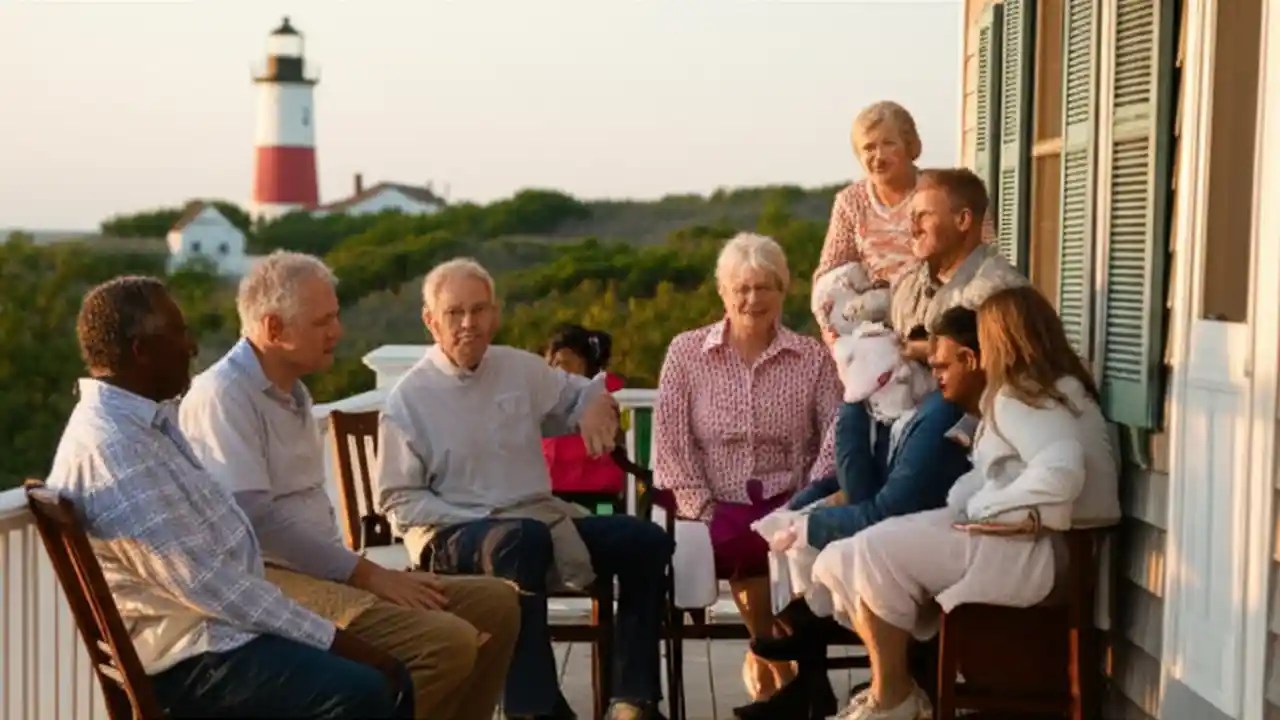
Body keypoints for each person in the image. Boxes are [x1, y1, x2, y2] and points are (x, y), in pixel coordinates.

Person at [46, 276, 413, 719]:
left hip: (214, 633)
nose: (193, 347)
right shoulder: (113, 450)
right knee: (367, 688)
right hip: (191, 658)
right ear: (141, 350)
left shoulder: (141, 425)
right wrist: (338, 640)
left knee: (383, 675)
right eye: (179, 333)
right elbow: (209, 587)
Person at [178, 251, 520, 720]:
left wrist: (363, 573)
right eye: (323, 322)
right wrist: (368, 574)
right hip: (270, 582)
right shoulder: (223, 395)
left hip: (322, 570)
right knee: (446, 641)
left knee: (496, 604)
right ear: (274, 329)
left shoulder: (291, 392)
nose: (337, 332)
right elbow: (255, 522)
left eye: (335, 316)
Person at [373, 258, 674, 720]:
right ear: (431, 320)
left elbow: (581, 391)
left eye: (479, 310)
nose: (469, 324)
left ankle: (632, 699)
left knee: (645, 540)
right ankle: (536, 708)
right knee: (521, 539)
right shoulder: (408, 399)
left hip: (535, 518)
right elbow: (398, 500)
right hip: (452, 532)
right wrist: (487, 518)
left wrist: (593, 404)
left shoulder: (519, 368)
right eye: (455, 313)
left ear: (494, 314)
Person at [816, 286, 1121, 720]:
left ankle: (896, 698)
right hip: (1050, 552)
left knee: (871, 549)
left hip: (1034, 554)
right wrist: (977, 503)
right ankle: (893, 691)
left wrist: (987, 510)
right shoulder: (1059, 389)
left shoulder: (1023, 396)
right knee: (855, 551)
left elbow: (1060, 471)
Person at [652, 232, 842, 709]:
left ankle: (773, 663)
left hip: (792, 498)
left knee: (788, 538)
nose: (752, 298)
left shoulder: (813, 357)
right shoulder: (686, 353)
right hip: (713, 504)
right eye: (742, 287)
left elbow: (839, 433)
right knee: (749, 543)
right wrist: (703, 506)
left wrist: (810, 500)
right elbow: (670, 442)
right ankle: (776, 659)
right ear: (723, 291)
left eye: (765, 287)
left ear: (783, 291)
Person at [812, 102, 996, 345]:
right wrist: (832, 330)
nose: (878, 157)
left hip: (942, 322)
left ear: (910, 146)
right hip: (875, 329)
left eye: (888, 144)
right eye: (868, 148)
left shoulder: (946, 191)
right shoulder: (850, 202)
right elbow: (830, 275)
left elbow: (987, 256)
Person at [542, 323, 634, 496]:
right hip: (547, 492)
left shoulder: (614, 391)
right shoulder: (544, 396)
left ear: (587, 363)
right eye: (549, 366)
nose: (557, 374)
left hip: (598, 491)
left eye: (563, 364)